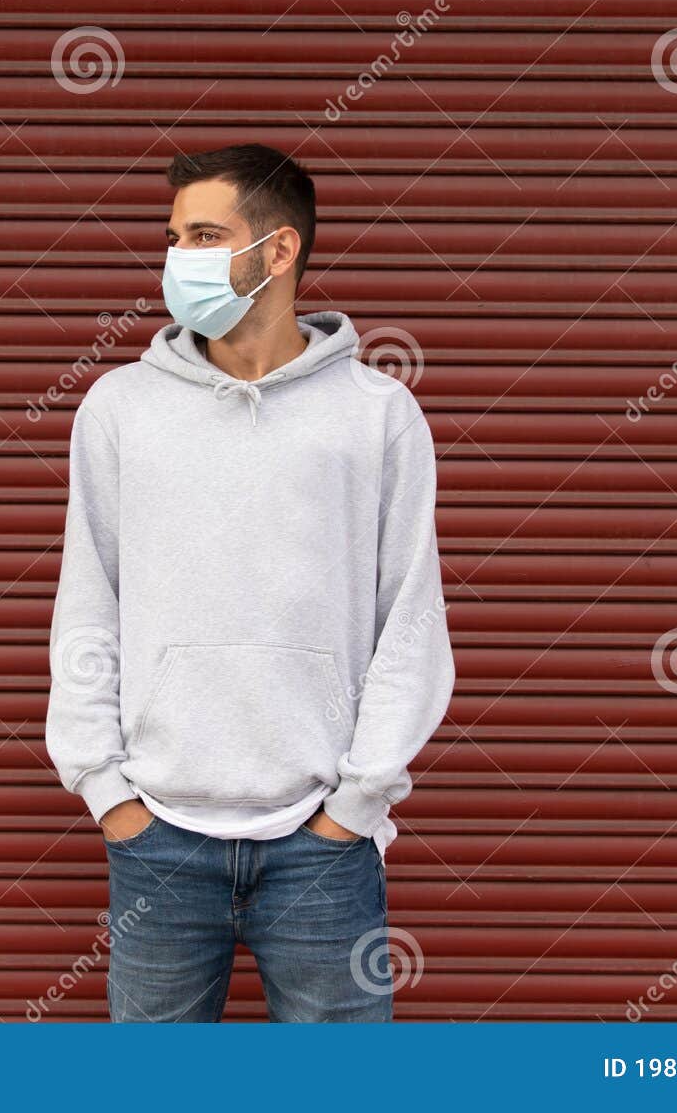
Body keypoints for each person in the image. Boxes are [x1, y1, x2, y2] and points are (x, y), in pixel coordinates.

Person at [44, 143, 455, 1022]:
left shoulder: (378, 416)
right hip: (157, 834)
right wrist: (108, 793)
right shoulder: (121, 408)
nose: (177, 257)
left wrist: (356, 803)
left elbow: (410, 621)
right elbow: (88, 604)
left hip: (323, 848)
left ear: (279, 252)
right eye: (172, 236)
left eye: (203, 234)